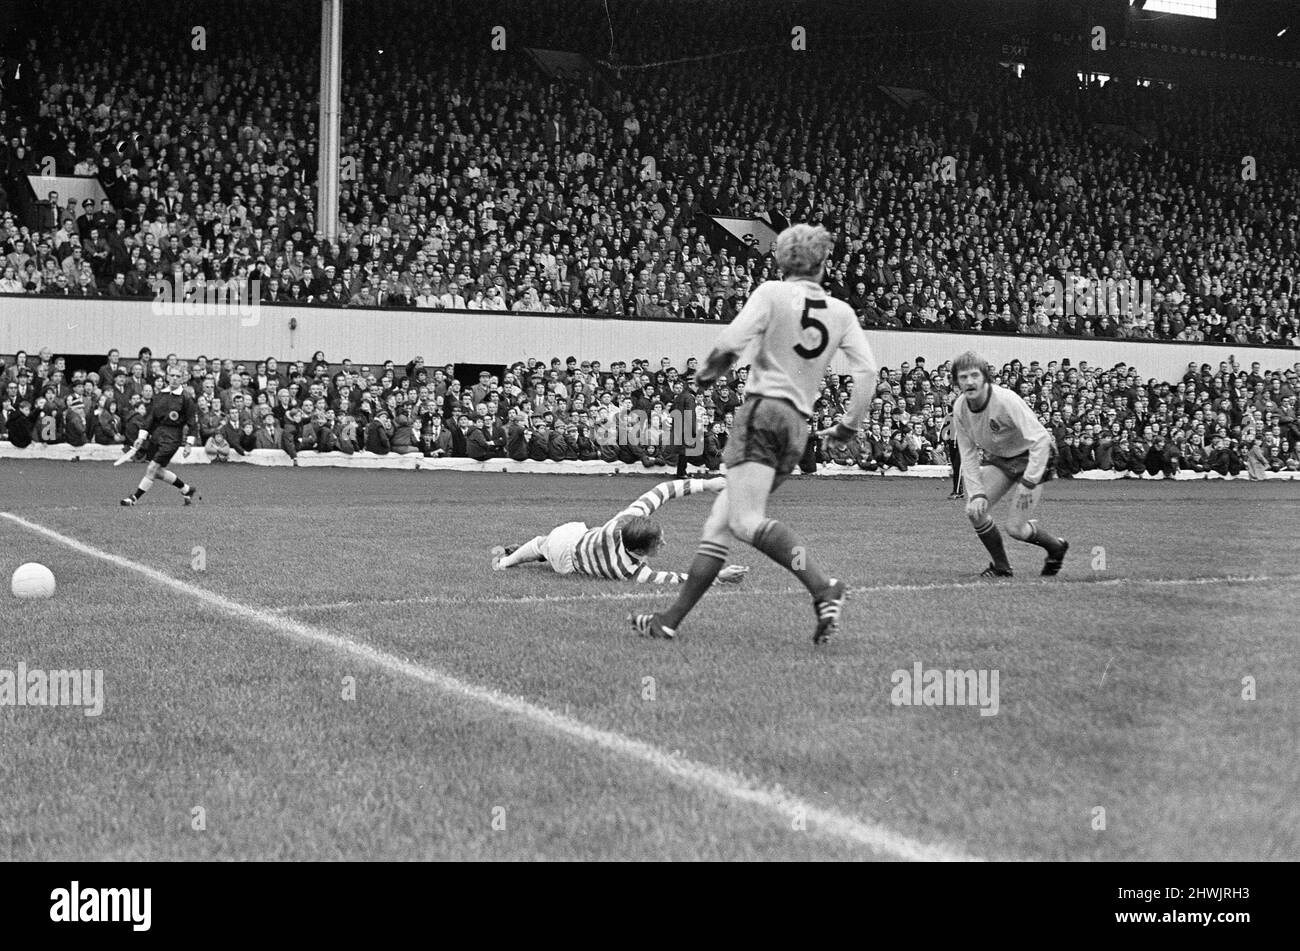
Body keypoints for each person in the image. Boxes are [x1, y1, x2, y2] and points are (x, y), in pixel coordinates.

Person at [629, 223, 877, 644]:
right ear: (822, 262)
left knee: (744, 521)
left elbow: (732, 341)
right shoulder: (842, 312)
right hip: (797, 425)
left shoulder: (771, 293)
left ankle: (824, 588)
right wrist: (849, 424)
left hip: (762, 412)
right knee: (720, 525)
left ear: (781, 259)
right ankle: (666, 621)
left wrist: (708, 373)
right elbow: (867, 372)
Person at [491, 477, 748, 585]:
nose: (665, 543)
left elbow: (662, 490)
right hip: (569, 562)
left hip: (570, 543)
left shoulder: (623, 521)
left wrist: (707, 484)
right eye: (658, 543)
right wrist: (720, 575)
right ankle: (511, 559)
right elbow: (678, 579)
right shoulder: (627, 570)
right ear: (638, 550)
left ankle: (505, 561)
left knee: (542, 544)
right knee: (543, 545)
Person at [951, 351, 1067, 577]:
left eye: (974, 375)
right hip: (1000, 458)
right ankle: (1002, 568)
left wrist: (1029, 483)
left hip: (1032, 458)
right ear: (956, 381)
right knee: (975, 512)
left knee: (1015, 528)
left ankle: (1056, 547)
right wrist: (976, 494)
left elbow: (1041, 440)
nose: (969, 381)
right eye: (963, 377)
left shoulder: (1006, 400)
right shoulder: (960, 408)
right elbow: (968, 453)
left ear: (985, 377)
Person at [119, 366, 200, 506]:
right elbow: (151, 419)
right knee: (158, 471)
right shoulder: (160, 396)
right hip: (157, 435)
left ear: (182, 379)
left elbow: (192, 423)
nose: (174, 378)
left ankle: (133, 498)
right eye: (172, 375)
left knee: (151, 468)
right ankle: (186, 489)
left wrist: (189, 444)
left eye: (177, 376)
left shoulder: (186, 398)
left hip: (173, 437)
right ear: (167, 377)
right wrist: (141, 438)